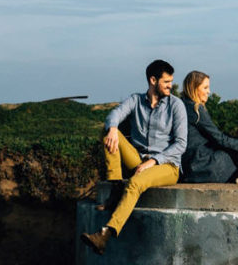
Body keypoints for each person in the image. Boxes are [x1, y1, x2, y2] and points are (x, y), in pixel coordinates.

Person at [81, 58, 188, 256]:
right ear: (153, 80)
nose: (170, 86)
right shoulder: (136, 100)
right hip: (138, 159)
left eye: (171, 82)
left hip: (167, 165)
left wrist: (153, 161)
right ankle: (115, 189)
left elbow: (181, 144)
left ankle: (105, 234)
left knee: (135, 183)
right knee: (108, 132)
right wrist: (113, 128)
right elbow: (113, 115)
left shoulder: (176, 105)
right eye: (166, 82)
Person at [178, 70, 238, 183]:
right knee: (237, 153)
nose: (209, 91)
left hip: (186, 163)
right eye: (205, 88)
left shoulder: (180, 105)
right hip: (199, 165)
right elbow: (219, 138)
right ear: (194, 88)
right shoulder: (196, 110)